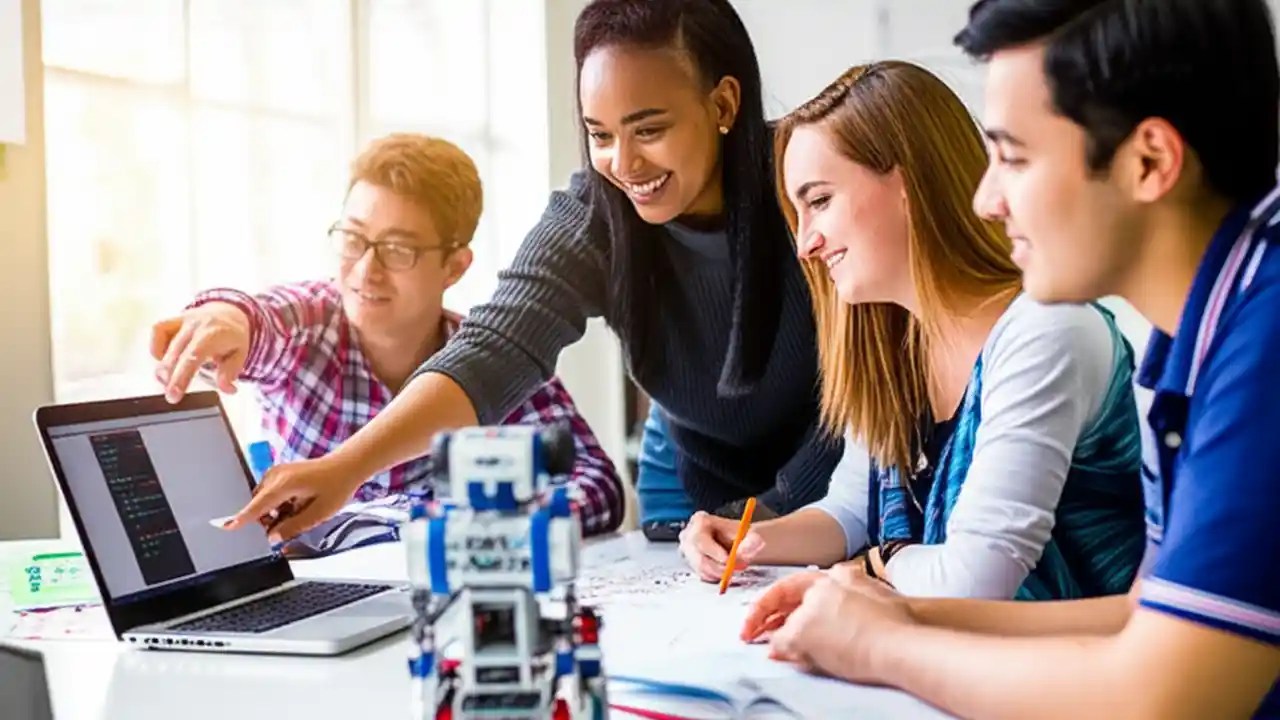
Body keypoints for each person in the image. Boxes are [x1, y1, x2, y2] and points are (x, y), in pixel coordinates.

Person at [761, 1, 1280, 718]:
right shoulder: (1194, 338)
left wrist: (880, 645)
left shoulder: (1267, 335)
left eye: (1013, 157)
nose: (985, 200)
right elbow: (1142, 616)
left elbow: (1162, 697)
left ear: (1149, 161)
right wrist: (896, 616)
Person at [211, 0, 844, 543]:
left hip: (841, 490)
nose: (623, 164)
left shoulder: (811, 189)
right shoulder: (596, 215)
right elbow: (494, 348)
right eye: (599, 134)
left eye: (649, 128)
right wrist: (345, 469)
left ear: (724, 102)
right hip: (706, 501)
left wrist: (778, 513)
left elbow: (878, 395)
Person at [681, 61, 1145, 611]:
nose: (805, 244)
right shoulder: (892, 344)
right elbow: (852, 511)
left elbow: (973, 581)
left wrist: (878, 562)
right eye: (797, 213)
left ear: (909, 184)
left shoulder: (1047, 331)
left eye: (820, 201)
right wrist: (749, 540)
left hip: (1067, 681)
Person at [150, 133, 624, 550]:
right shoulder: (313, 323)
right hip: (312, 591)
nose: (365, 271)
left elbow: (599, 486)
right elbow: (261, 319)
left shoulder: (494, 363)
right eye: (353, 239)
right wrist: (224, 315)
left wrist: (473, 527)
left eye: (398, 250)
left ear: (455, 266)